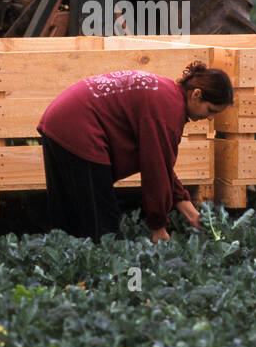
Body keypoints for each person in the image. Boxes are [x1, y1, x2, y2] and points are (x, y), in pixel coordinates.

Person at [37, 62, 233, 243]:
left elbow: (160, 165)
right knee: (100, 220)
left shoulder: (167, 94)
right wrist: (158, 227)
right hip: (77, 128)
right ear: (196, 94)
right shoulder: (168, 111)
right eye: (211, 110)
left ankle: (64, 270)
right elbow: (155, 171)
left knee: (68, 212)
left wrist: (192, 215)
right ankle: (97, 276)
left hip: (58, 121)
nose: (209, 118)